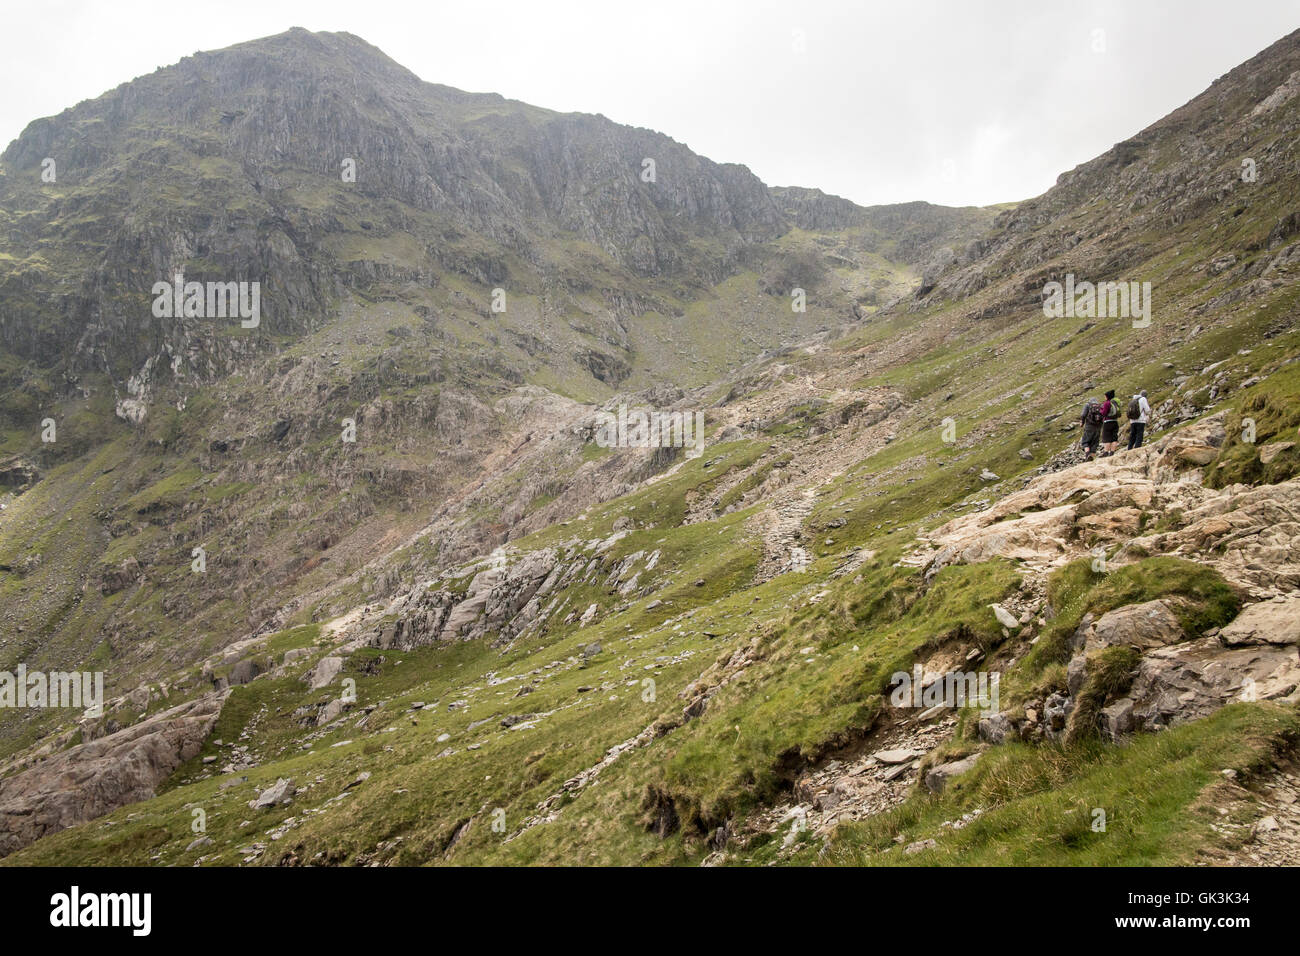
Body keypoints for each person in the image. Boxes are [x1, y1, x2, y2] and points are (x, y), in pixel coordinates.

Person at [1080, 395, 1104, 460]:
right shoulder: (1100, 406)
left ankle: (1087, 455)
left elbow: (1083, 415)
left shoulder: (1087, 405)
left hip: (1089, 426)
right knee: (1095, 442)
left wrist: (1082, 423)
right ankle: (1092, 457)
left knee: (1085, 441)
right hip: (1098, 427)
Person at [1099, 389, 1120, 456]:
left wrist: (1100, 410)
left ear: (1107, 396)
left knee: (1107, 438)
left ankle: (1106, 452)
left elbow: (1104, 413)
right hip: (1115, 421)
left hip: (1107, 422)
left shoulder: (1107, 403)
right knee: (1114, 438)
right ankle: (1112, 452)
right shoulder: (1115, 402)